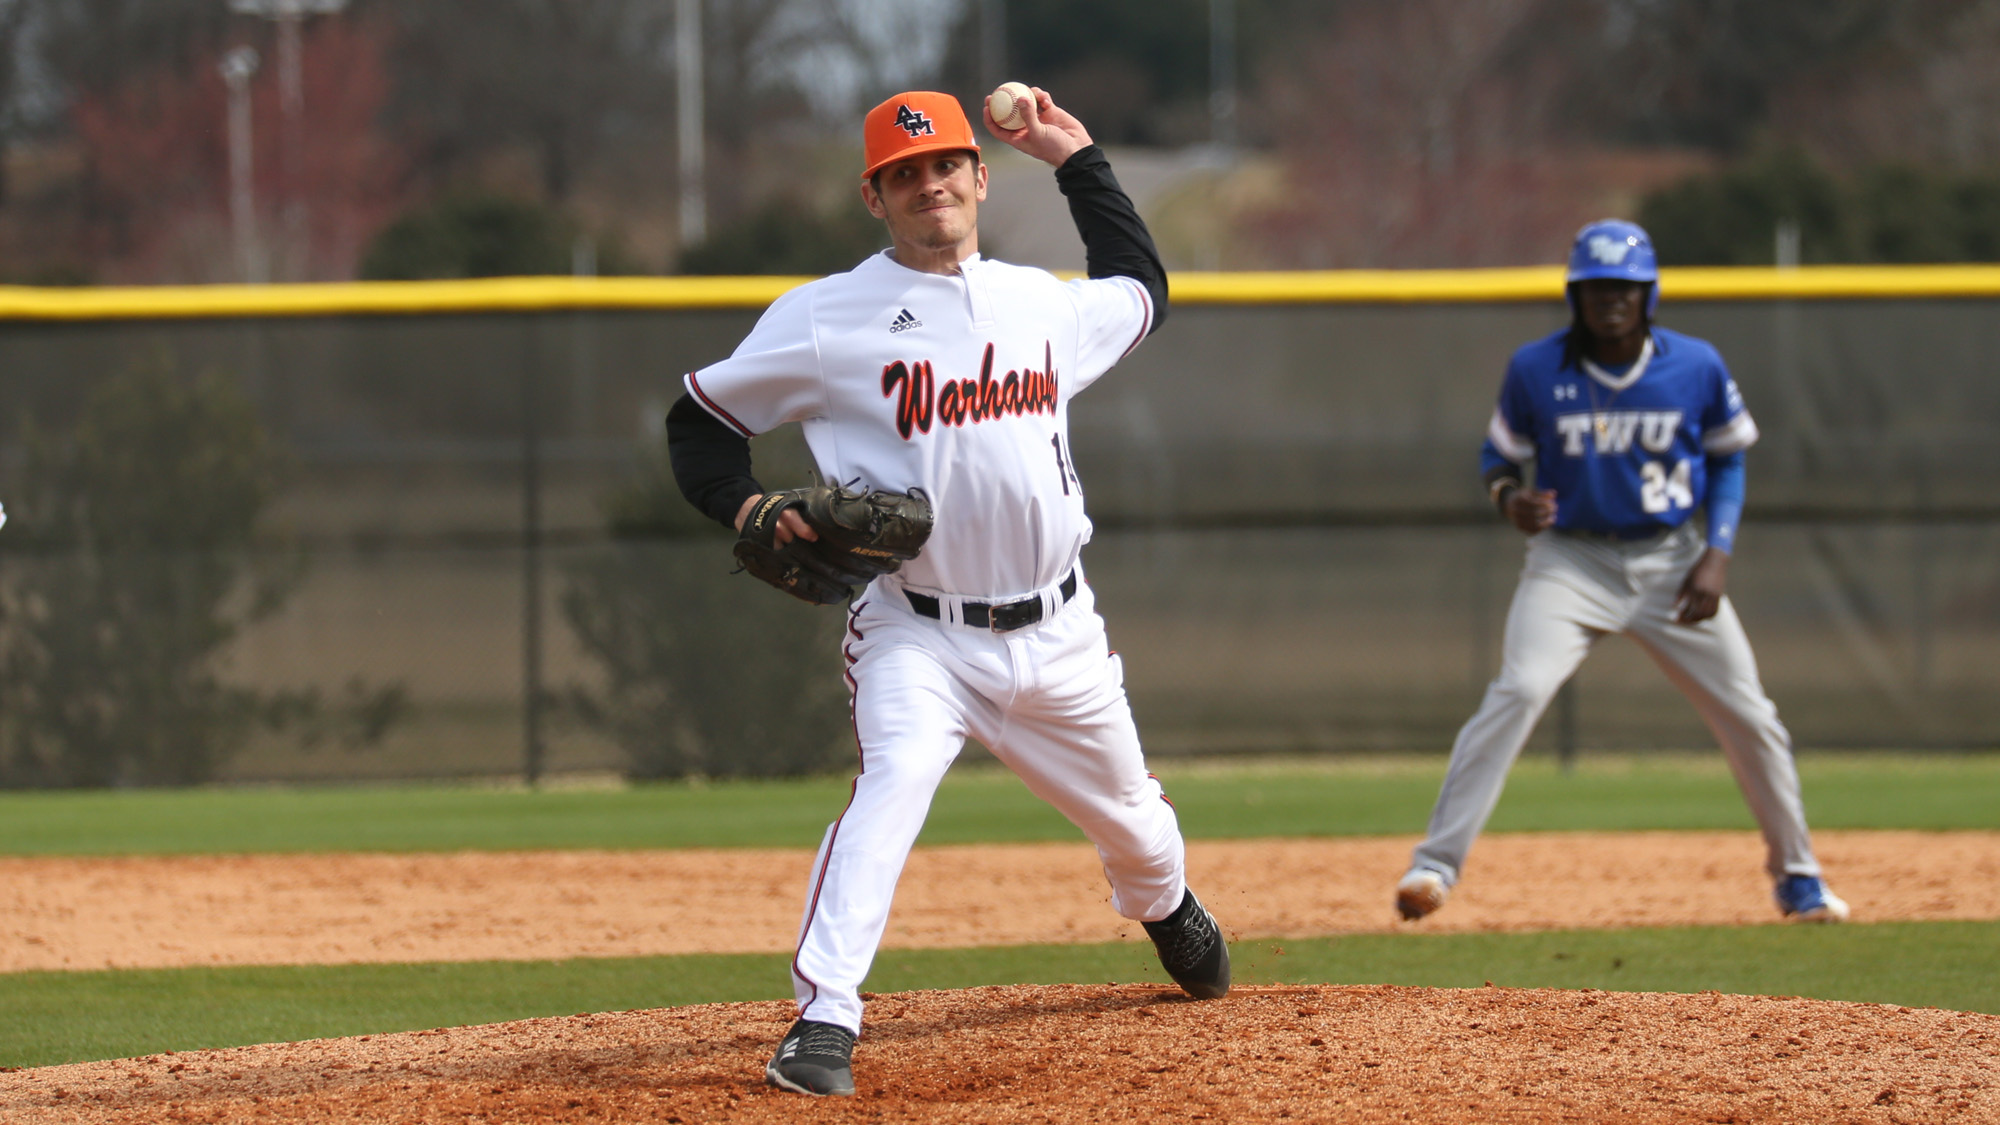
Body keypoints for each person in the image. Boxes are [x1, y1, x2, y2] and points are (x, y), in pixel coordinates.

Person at [664, 87, 1230, 1098]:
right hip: (914, 634)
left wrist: (1078, 160)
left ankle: (1165, 903)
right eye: (902, 174)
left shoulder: (1036, 302)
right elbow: (700, 420)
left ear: (976, 177)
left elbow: (1141, 286)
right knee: (890, 791)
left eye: (943, 167)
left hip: (1058, 631)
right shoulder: (822, 317)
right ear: (873, 197)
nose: (928, 185)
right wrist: (744, 510)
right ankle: (823, 1020)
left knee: (1138, 829)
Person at [1395, 219, 1849, 927]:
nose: (1611, 300)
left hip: (1674, 559)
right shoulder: (1536, 368)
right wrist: (1507, 498)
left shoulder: (1695, 364)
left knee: (1750, 715)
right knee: (1519, 688)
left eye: (1625, 288)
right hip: (1570, 562)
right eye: (1596, 287)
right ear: (1576, 294)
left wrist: (1717, 552)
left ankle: (1799, 878)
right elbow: (1497, 459)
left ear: (1650, 294)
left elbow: (1729, 458)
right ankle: (1434, 866)